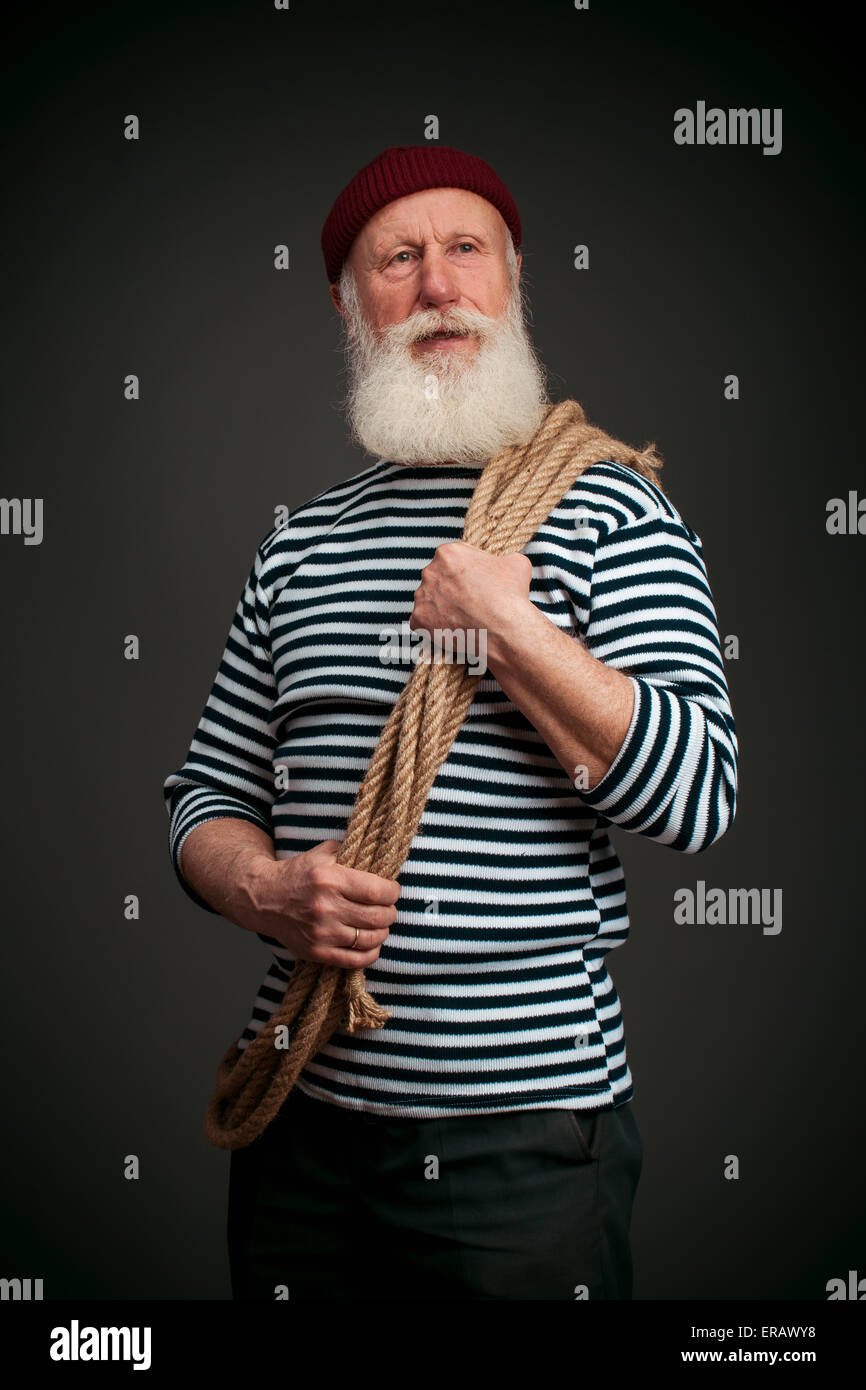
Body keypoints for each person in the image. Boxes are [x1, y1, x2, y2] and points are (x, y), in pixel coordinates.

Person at [162, 144, 738, 1300]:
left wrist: (507, 631)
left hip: (520, 1139)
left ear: (510, 281)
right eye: (398, 260)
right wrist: (265, 888)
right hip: (301, 1114)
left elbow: (696, 800)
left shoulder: (611, 510)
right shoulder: (298, 547)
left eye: (466, 250)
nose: (437, 285)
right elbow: (203, 798)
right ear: (347, 305)